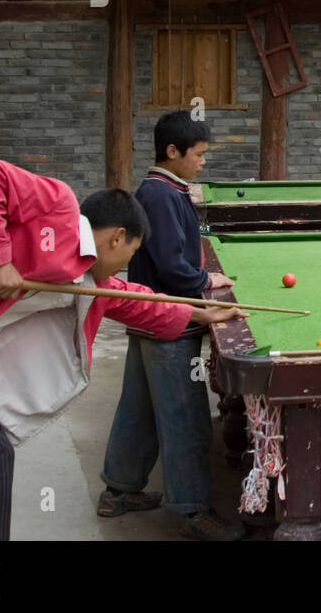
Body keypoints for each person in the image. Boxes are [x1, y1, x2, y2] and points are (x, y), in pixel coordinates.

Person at [0, 156, 243, 541]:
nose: (128, 261)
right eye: (133, 252)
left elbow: (128, 297)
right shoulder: (58, 204)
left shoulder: (87, 278)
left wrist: (197, 313)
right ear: (118, 237)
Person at [97, 110, 242, 540]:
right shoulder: (159, 194)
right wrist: (204, 279)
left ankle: (119, 491)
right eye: (197, 154)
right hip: (168, 323)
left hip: (151, 319)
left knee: (138, 410)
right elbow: (173, 266)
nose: (202, 162)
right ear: (172, 151)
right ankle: (192, 508)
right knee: (185, 418)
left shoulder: (165, 188)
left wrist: (199, 274)